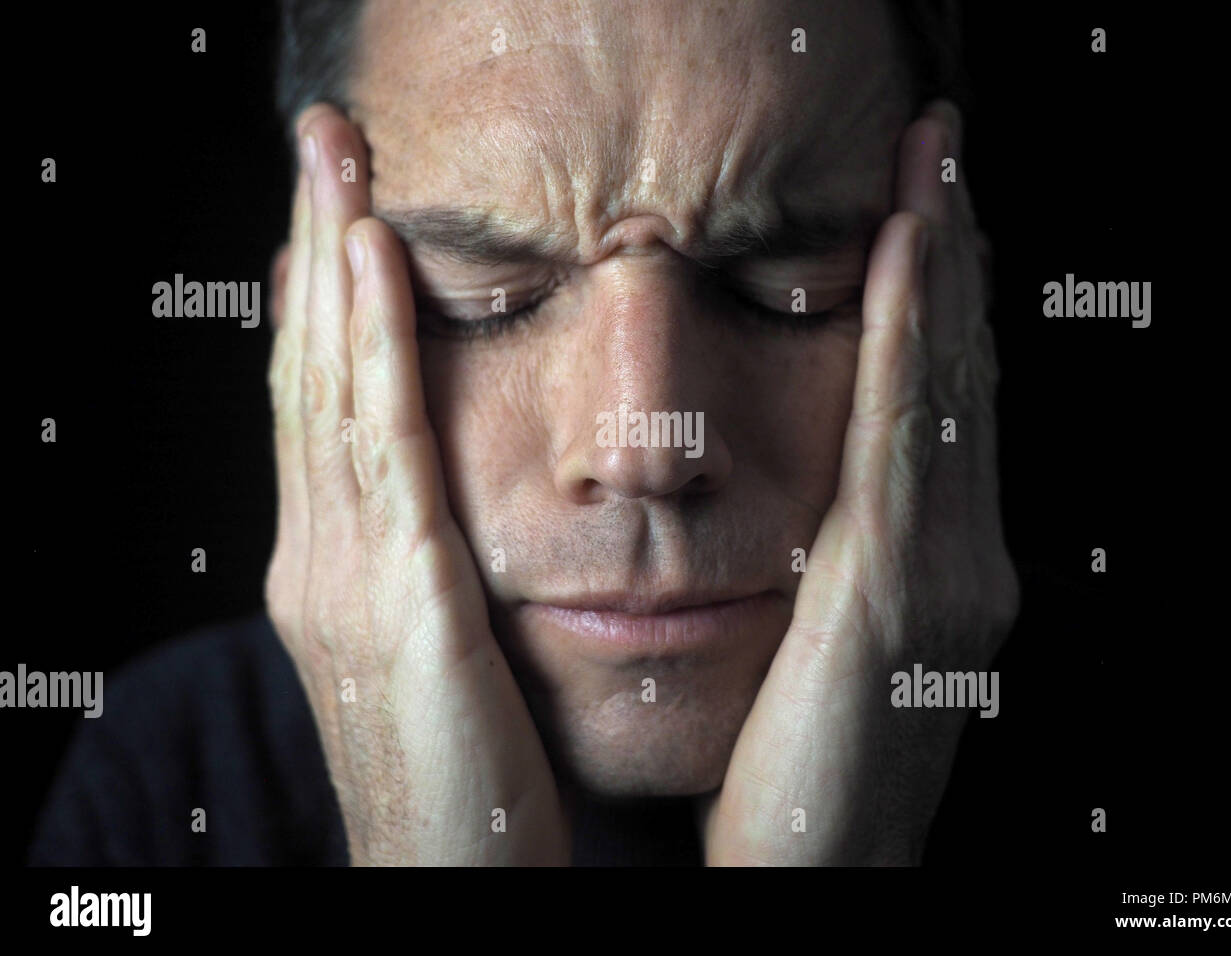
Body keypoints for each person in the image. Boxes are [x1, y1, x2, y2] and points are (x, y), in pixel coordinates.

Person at [30, 0, 1017, 866]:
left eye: (782, 291)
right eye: (487, 300)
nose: (642, 447)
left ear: (957, 305)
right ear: (310, 342)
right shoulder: (169, 778)